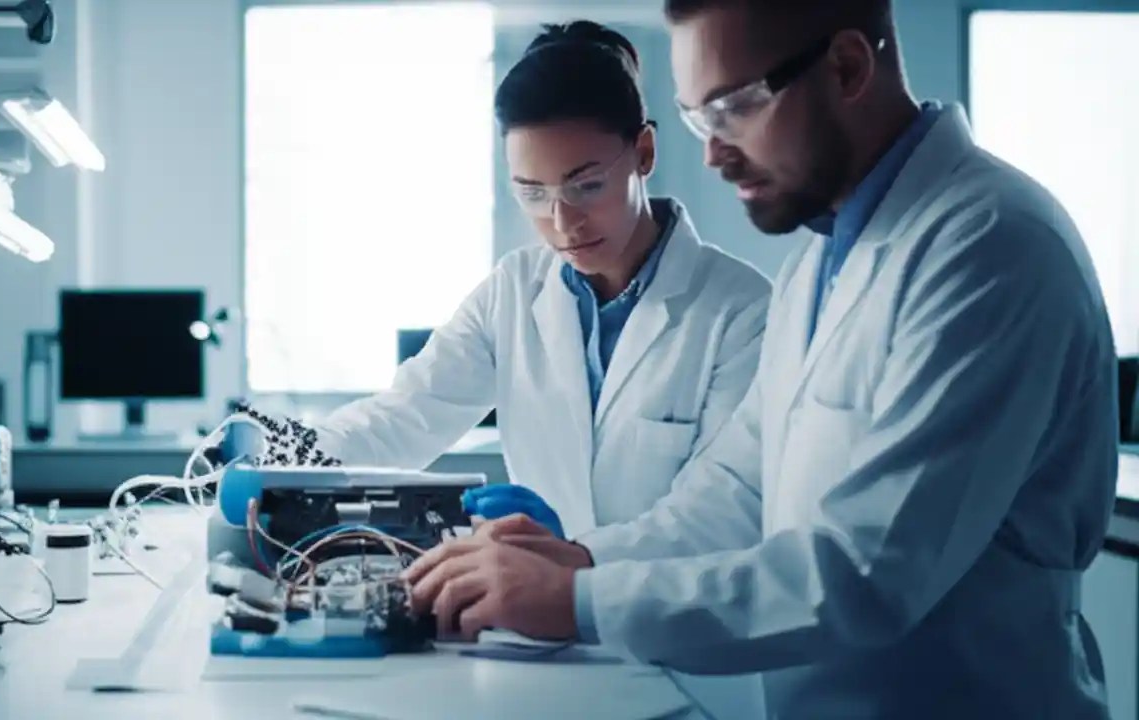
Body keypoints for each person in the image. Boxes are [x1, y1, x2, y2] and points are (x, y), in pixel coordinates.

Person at [403, 1, 1118, 718]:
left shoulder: (989, 247)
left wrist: (578, 599)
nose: (712, 154)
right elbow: (734, 493)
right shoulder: (820, 261)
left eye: (735, 108)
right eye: (699, 119)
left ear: (847, 67)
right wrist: (580, 560)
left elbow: (866, 572)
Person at [298, 21, 770, 539]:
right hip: (530, 590)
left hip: (662, 592)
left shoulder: (742, 312)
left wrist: (575, 561)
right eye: (533, 194)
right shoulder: (513, 291)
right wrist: (286, 463)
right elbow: (401, 418)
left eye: (586, 186)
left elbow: (718, 516)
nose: (563, 223)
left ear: (644, 153)